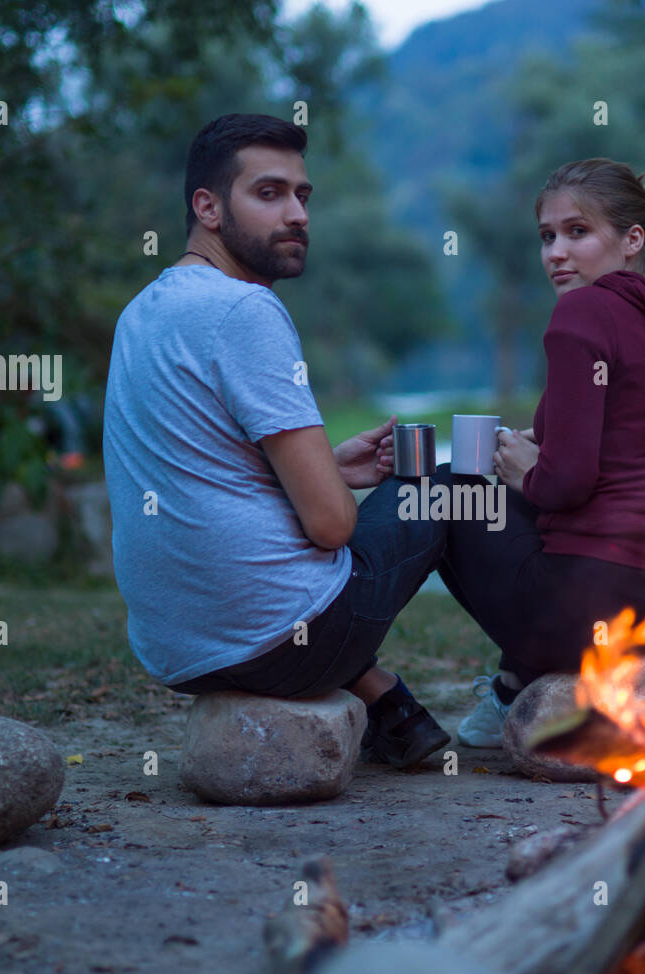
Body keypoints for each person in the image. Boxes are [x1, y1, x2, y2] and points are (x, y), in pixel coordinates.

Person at [103, 113, 455, 769]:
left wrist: (329, 464)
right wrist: (335, 493)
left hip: (176, 650)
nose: (296, 213)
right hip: (286, 642)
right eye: (269, 193)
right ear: (206, 207)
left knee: (296, 560)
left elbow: (207, 466)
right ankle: (525, 680)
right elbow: (329, 525)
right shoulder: (245, 308)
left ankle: (389, 704)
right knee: (446, 483)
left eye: (302, 195)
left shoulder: (144, 310)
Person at [440, 157, 645, 746]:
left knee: (447, 491)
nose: (556, 252)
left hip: (603, 604)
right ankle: (514, 682)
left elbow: (569, 483)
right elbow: (639, 446)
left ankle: (498, 689)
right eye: (547, 237)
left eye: (578, 232)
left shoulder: (582, 312)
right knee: (515, 504)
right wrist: (536, 454)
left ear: (631, 240)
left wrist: (529, 476)